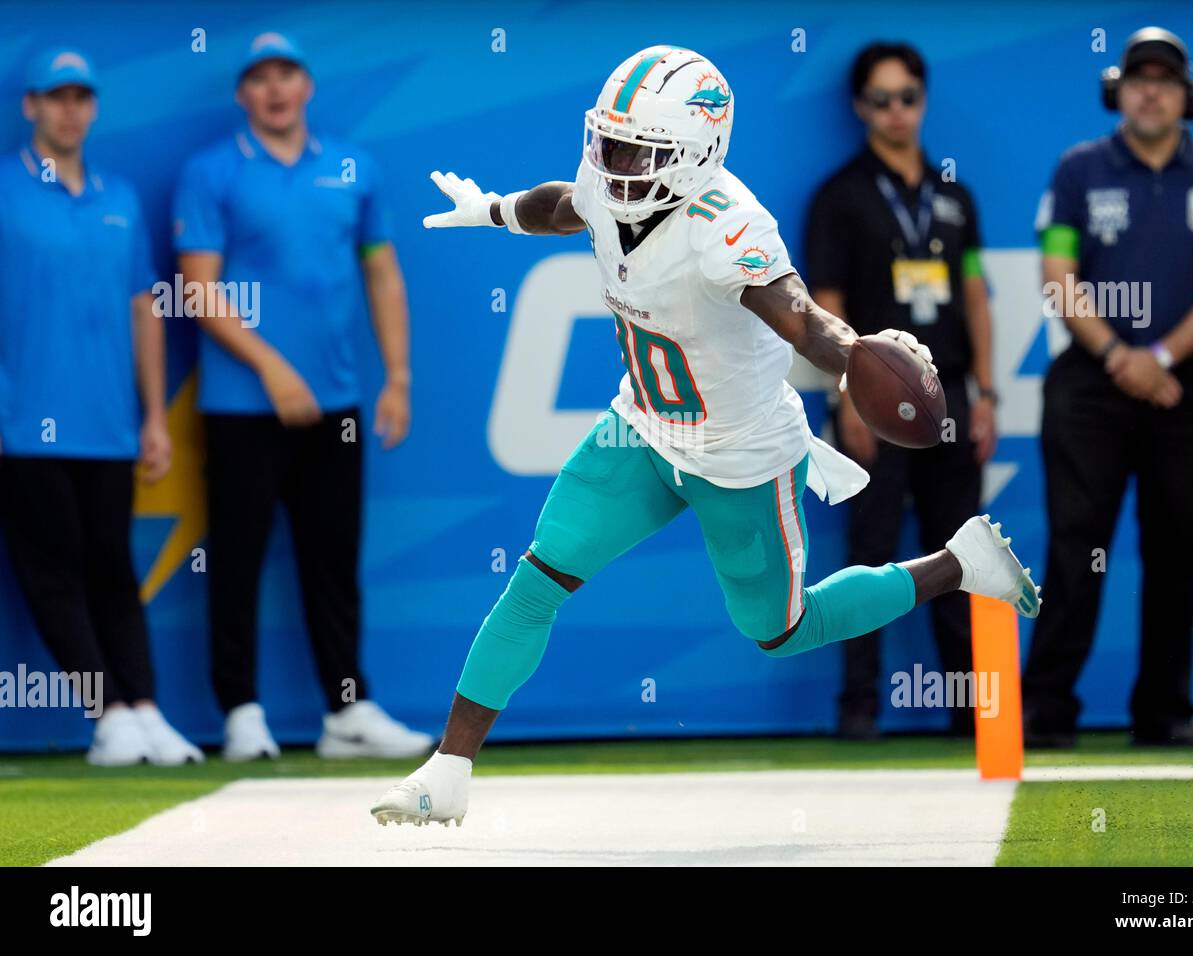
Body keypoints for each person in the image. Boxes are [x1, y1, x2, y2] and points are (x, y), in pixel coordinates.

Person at [372, 46, 1040, 827]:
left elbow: (802, 320)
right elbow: (565, 203)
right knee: (537, 579)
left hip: (741, 455)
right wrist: (493, 209)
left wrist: (861, 356)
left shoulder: (727, 228)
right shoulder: (606, 182)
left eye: (638, 152)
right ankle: (448, 771)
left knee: (781, 631)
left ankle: (958, 564)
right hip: (642, 432)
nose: (615, 166)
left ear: (698, 155)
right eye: (610, 144)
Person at [172, 32, 430, 760]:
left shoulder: (353, 168)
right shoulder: (211, 171)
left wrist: (398, 378)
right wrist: (272, 368)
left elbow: (382, 274)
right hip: (240, 408)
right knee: (238, 558)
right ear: (241, 95)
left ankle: (346, 711)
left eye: (287, 74)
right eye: (259, 78)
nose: (275, 89)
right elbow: (198, 289)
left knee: (332, 560)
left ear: (307, 86)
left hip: (338, 406)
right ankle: (241, 713)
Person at [1024, 27, 1193, 748]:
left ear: (1187, 96)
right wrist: (1121, 356)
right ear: (1118, 92)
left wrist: (1158, 354)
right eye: (1138, 78)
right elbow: (1057, 278)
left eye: (1164, 79)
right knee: (1076, 544)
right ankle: (1047, 710)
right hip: (1094, 379)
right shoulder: (1078, 170)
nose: (1150, 90)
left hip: (1192, 383)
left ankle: (1164, 712)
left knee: (1177, 545)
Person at [0, 48, 200, 765]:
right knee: (53, 575)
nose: (69, 109)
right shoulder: (5, 192)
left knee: (114, 570)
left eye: (81, 96)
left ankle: (145, 709)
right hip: (23, 428)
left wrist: (153, 417)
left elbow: (144, 310)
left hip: (111, 427)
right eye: (55, 97)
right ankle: (107, 714)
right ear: (30, 107)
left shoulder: (118, 198)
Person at [806, 42, 997, 738]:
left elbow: (975, 296)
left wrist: (988, 394)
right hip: (876, 410)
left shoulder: (954, 196)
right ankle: (858, 709)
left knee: (961, 553)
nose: (896, 111)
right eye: (880, 99)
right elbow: (822, 309)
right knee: (872, 553)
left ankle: (972, 711)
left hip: (949, 402)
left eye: (907, 97)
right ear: (860, 107)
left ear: (923, 100)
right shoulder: (840, 196)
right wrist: (845, 397)